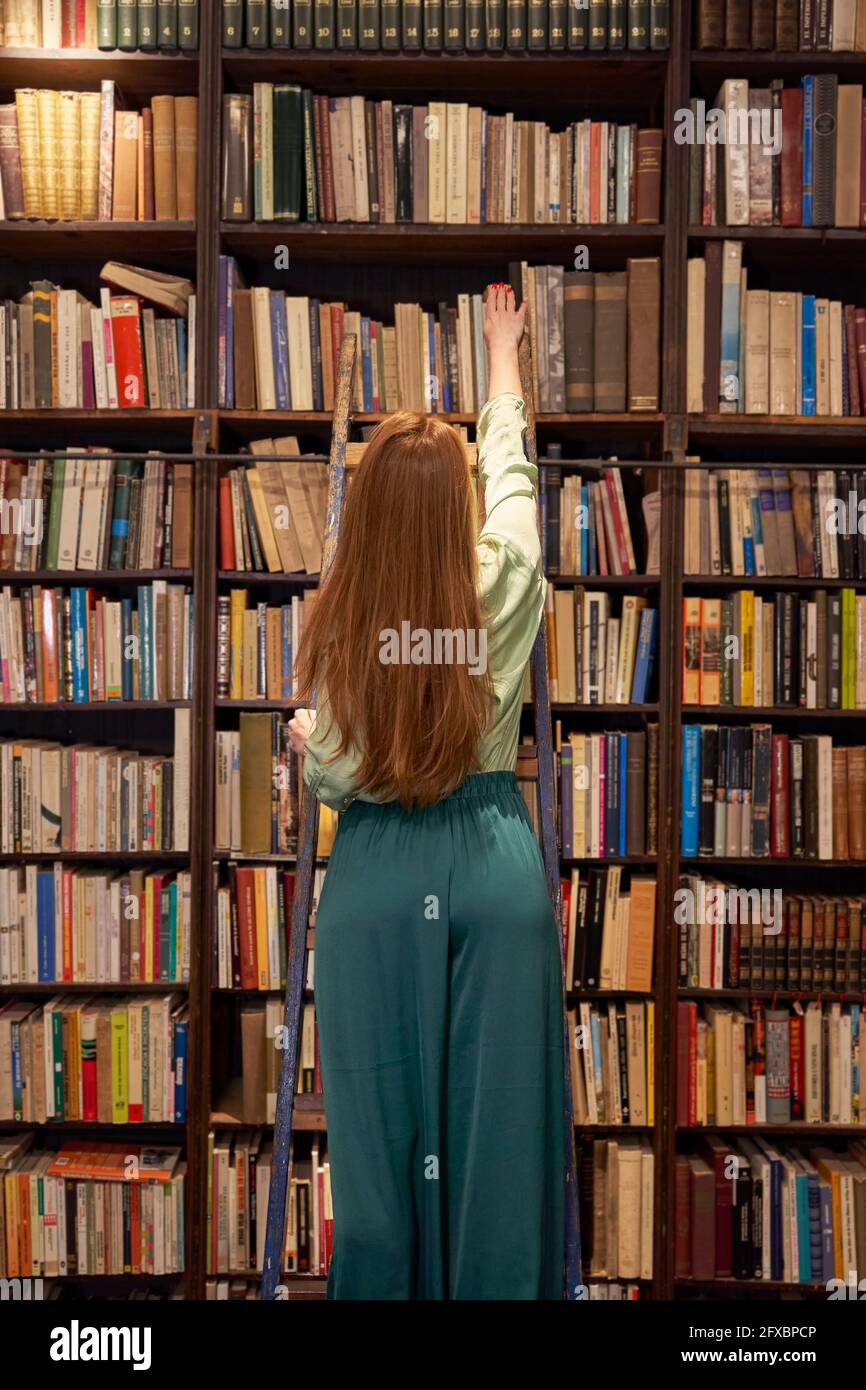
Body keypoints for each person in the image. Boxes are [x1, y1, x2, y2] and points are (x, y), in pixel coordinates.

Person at [287, 284, 565, 1300]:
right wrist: (502, 358)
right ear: (455, 507)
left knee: (378, 1150)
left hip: (375, 879)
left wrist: (312, 742)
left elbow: (343, 770)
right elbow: (513, 477)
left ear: (365, 514)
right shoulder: (506, 574)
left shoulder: (348, 615)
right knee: (493, 1155)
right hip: (489, 864)